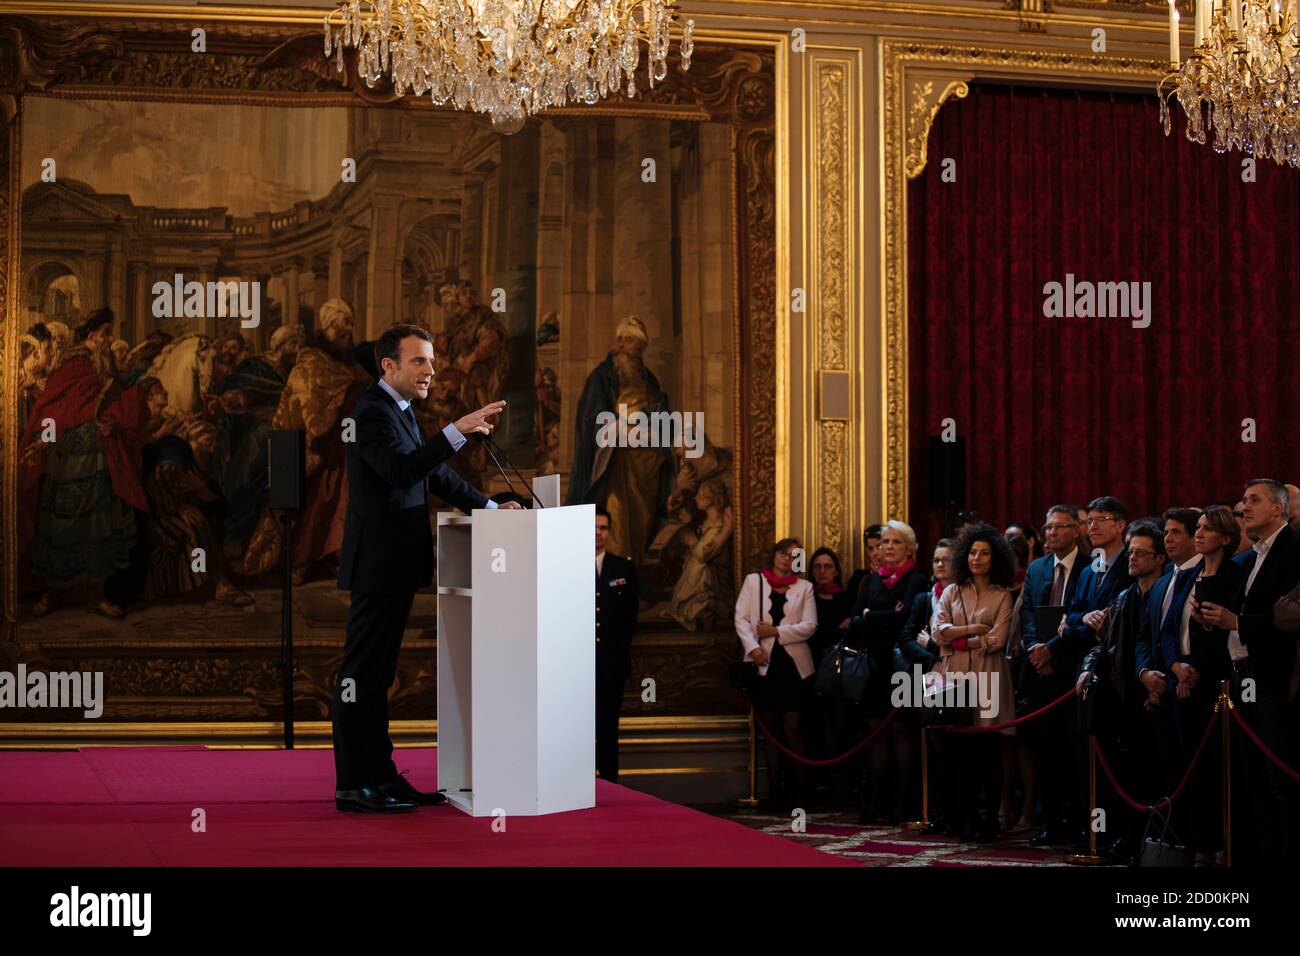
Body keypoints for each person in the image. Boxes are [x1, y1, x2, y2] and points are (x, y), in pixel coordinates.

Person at [332, 324, 522, 813]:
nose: (431, 371)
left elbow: (432, 473)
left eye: (432, 362)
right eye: (419, 361)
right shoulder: (370, 413)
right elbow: (400, 472)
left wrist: (490, 508)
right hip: (376, 565)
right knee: (360, 676)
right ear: (388, 366)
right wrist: (457, 431)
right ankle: (354, 784)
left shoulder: (400, 411)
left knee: (378, 678)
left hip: (396, 567)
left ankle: (382, 776)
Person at [1198, 479, 1300, 864]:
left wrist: (1236, 621)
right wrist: (1214, 621)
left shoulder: (1293, 549)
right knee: (1249, 774)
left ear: (1279, 508)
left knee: (1279, 776)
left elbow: (1288, 620)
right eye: (1243, 500)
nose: (1245, 506)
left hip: (1276, 676)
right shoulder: (1248, 558)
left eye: (1254, 500)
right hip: (1243, 676)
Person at [1082, 520, 1166, 866]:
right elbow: (1105, 644)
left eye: (1141, 553)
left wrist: (1154, 684)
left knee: (1153, 777)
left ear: (1160, 558)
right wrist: (1087, 667)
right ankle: (1125, 837)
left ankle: (1152, 842)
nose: (1132, 558)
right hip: (1123, 697)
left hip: (1155, 696)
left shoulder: (1166, 590)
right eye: (1130, 552)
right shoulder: (1124, 595)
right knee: (1125, 774)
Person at [930, 523, 1017, 842]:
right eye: (972, 552)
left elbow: (997, 640)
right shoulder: (952, 591)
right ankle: (960, 816)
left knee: (988, 753)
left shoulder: (1003, 595)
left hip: (989, 676)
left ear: (996, 558)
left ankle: (988, 818)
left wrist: (959, 636)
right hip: (952, 677)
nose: (977, 558)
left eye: (985, 553)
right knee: (957, 753)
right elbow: (938, 633)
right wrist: (972, 631)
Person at [1175, 505, 1244, 865]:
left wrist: (1192, 670)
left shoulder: (1234, 576)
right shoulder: (1190, 575)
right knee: (1189, 767)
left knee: (1216, 767)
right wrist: (1177, 667)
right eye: (1198, 527)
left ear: (1227, 538)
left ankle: (1219, 843)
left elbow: (1220, 638)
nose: (1199, 534)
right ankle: (1195, 842)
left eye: (1208, 529)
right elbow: (1175, 627)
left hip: (1215, 683)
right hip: (1183, 680)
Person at [846, 520, 927, 823]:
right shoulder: (870, 582)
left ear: (909, 548)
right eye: (884, 542)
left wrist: (872, 616)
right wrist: (879, 616)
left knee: (902, 732)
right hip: (873, 667)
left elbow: (906, 619)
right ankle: (875, 804)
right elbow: (854, 620)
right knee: (876, 735)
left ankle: (904, 806)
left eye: (895, 542)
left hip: (903, 664)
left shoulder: (917, 580)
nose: (888, 547)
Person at [1018, 504, 1087, 846]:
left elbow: (1083, 617)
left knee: (1073, 750)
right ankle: (1050, 821)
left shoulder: (1090, 566)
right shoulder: (1038, 568)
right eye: (1048, 528)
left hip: (1071, 668)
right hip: (1039, 670)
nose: (1052, 533)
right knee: (1045, 750)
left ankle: (1077, 821)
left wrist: (1052, 650)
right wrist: (1035, 648)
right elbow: (1028, 613)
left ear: (1076, 530)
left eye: (1060, 527)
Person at [735, 538, 819, 808]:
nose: (787, 559)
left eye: (794, 556)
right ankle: (776, 792)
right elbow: (742, 619)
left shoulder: (805, 587)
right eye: (784, 553)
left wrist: (776, 632)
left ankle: (803, 791)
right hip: (763, 664)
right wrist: (752, 648)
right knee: (769, 728)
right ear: (774, 555)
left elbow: (810, 626)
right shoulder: (754, 582)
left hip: (794, 667)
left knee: (793, 727)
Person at [595, 506, 639, 783]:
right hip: (574, 666)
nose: (598, 534)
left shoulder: (623, 567)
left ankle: (610, 783)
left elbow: (629, 619)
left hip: (611, 664)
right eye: (593, 528)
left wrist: (616, 656)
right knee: (574, 729)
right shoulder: (567, 566)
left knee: (608, 727)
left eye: (603, 528)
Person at [806, 546, 853, 792]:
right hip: (811, 667)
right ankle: (818, 782)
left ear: (836, 570)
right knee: (814, 726)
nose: (822, 571)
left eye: (827, 566)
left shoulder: (846, 597)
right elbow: (811, 634)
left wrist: (831, 633)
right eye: (817, 567)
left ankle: (843, 782)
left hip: (842, 669)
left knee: (842, 724)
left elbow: (851, 630)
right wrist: (836, 631)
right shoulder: (806, 597)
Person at [846, 524, 885, 598]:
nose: (875, 553)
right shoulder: (859, 577)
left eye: (879, 546)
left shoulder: (896, 576)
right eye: (870, 549)